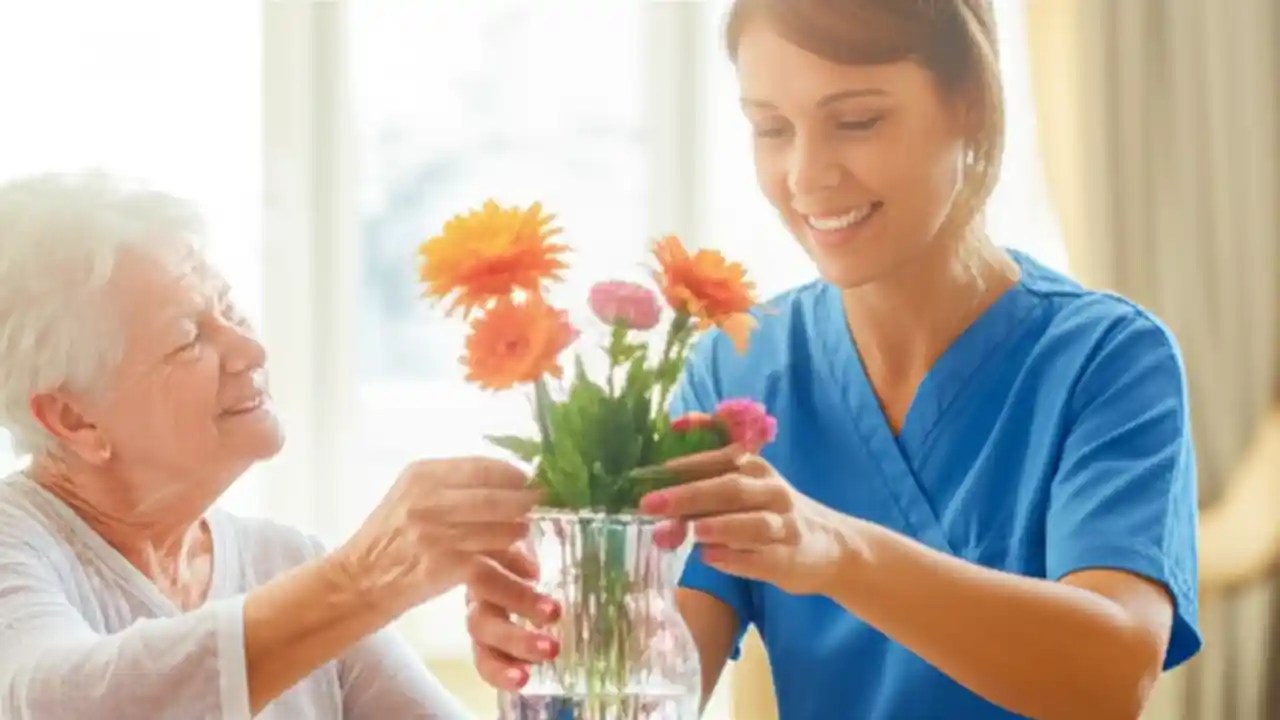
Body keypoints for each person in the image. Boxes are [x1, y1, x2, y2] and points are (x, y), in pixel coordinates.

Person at [462, 1, 1202, 718]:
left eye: (857, 121)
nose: (807, 175)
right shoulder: (736, 370)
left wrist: (838, 550)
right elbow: (662, 664)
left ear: (970, 103)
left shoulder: (1106, 361)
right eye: (771, 128)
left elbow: (1113, 676)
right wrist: (557, 643)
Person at [0, 171, 543, 719]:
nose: (251, 349)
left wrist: (547, 666)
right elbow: (54, 704)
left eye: (229, 310)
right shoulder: (15, 545)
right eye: (189, 338)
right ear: (75, 419)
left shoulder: (284, 562)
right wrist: (365, 579)